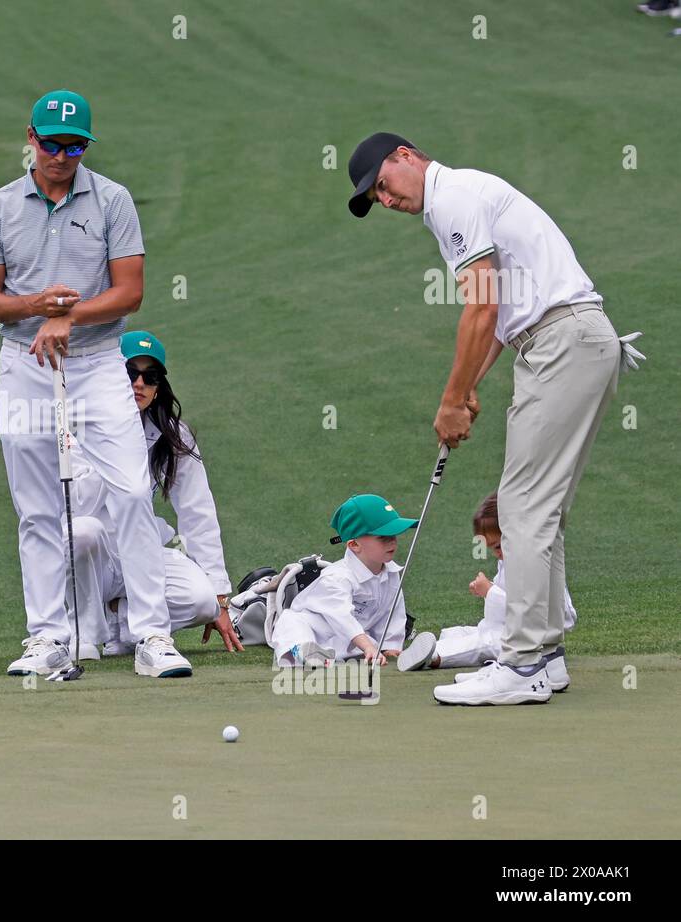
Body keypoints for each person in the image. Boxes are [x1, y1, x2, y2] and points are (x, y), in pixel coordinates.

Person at [346, 132, 628, 705]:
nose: (385, 199)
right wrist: (470, 384)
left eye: (382, 183)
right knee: (537, 509)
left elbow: (482, 304)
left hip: (561, 341)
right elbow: (498, 312)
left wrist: (452, 401)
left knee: (522, 507)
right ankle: (543, 657)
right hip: (572, 339)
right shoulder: (466, 194)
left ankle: (521, 663)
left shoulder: (453, 196)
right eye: (375, 198)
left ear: (406, 156)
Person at [0, 89, 192, 678]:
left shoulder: (114, 200)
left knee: (131, 492)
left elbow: (131, 291)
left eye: (74, 145)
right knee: (38, 507)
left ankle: (152, 636)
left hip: (96, 364)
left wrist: (69, 316)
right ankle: (48, 639)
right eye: (51, 143)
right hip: (24, 364)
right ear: (30, 138)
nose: (61, 155)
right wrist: (36, 306)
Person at [61, 331, 242, 659]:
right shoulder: (76, 424)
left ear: (160, 386)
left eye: (151, 376)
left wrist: (219, 597)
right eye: (130, 373)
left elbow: (196, 511)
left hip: (141, 551)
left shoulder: (173, 435)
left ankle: (123, 620)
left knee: (201, 601)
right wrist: (117, 449)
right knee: (84, 532)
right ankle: (84, 631)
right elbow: (77, 505)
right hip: (90, 561)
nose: (139, 384)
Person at [397, 492, 576, 690]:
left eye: (499, 546)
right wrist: (489, 588)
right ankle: (439, 647)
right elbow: (510, 600)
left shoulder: (537, 567)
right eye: (492, 548)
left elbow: (554, 614)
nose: (497, 553)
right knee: (460, 633)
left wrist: (490, 591)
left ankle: (435, 657)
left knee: (483, 642)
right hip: (504, 627)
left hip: (527, 639)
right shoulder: (508, 562)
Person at [269, 494, 415, 668]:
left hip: (348, 639)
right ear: (354, 545)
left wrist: (390, 645)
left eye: (394, 534)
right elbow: (342, 617)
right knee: (292, 626)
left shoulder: (391, 572)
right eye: (383, 537)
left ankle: (326, 656)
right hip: (312, 629)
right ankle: (302, 653)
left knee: (358, 646)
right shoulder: (336, 577)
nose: (392, 541)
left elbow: (392, 613)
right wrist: (368, 646)